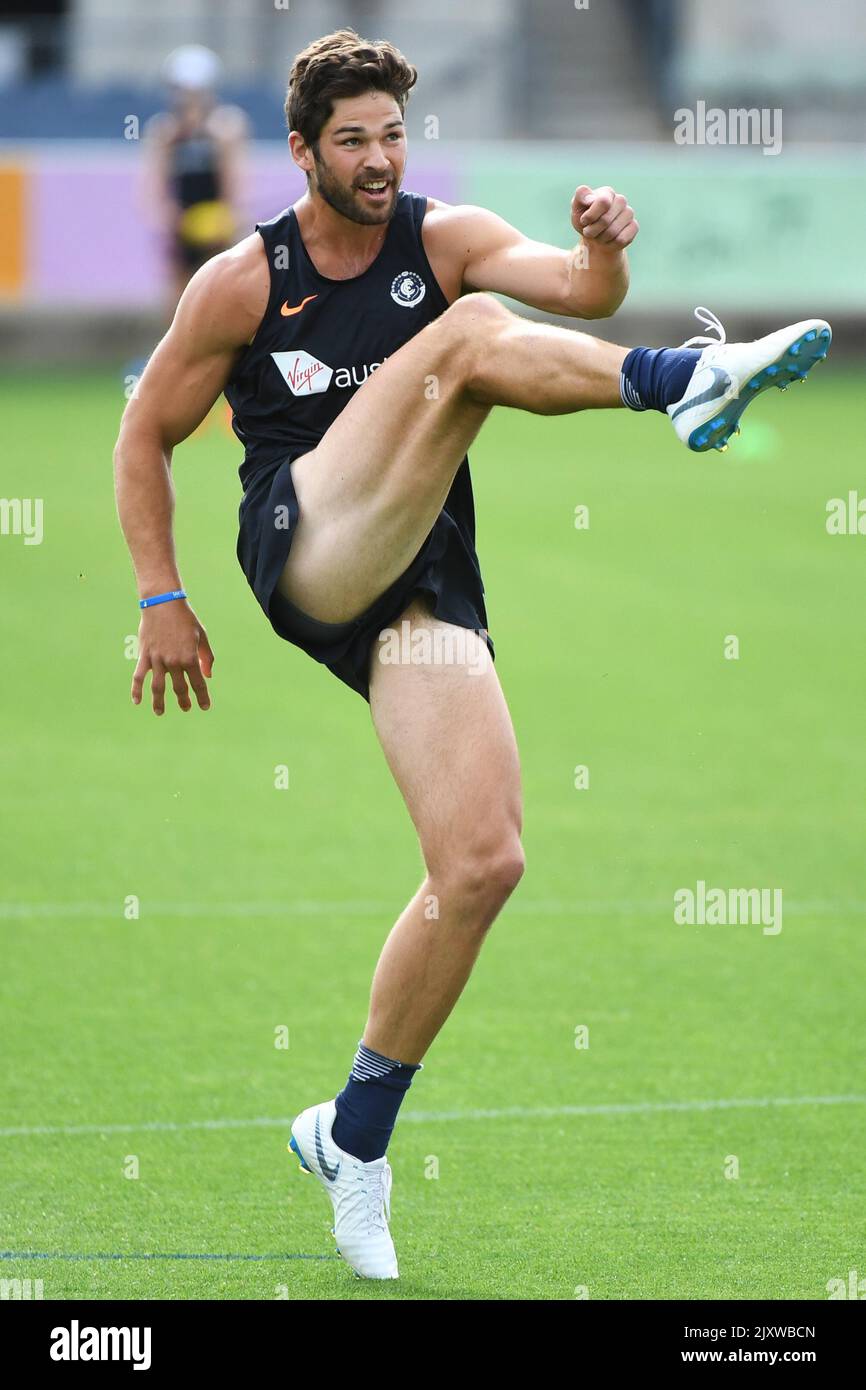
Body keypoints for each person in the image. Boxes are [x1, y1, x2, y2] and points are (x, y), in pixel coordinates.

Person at [113, 28, 830, 1281]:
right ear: (301, 151)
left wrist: (604, 247)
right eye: (353, 141)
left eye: (393, 134)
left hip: (417, 574)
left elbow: (576, 292)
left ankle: (351, 1135)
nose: (382, 160)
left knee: (482, 862)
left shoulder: (439, 238)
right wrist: (159, 594)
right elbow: (142, 435)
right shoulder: (242, 279)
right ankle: (690, 379)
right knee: (461, 341)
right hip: (306, 540)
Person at [143, 44, 249, 313]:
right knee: (179, 296)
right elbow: (155, 185)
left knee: (220, 294)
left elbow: (233, 182)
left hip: (215, 224)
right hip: (182, 224)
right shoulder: (165, 131)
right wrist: (169, 218)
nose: (186, 101)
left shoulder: (226, 126)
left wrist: (227, 219)